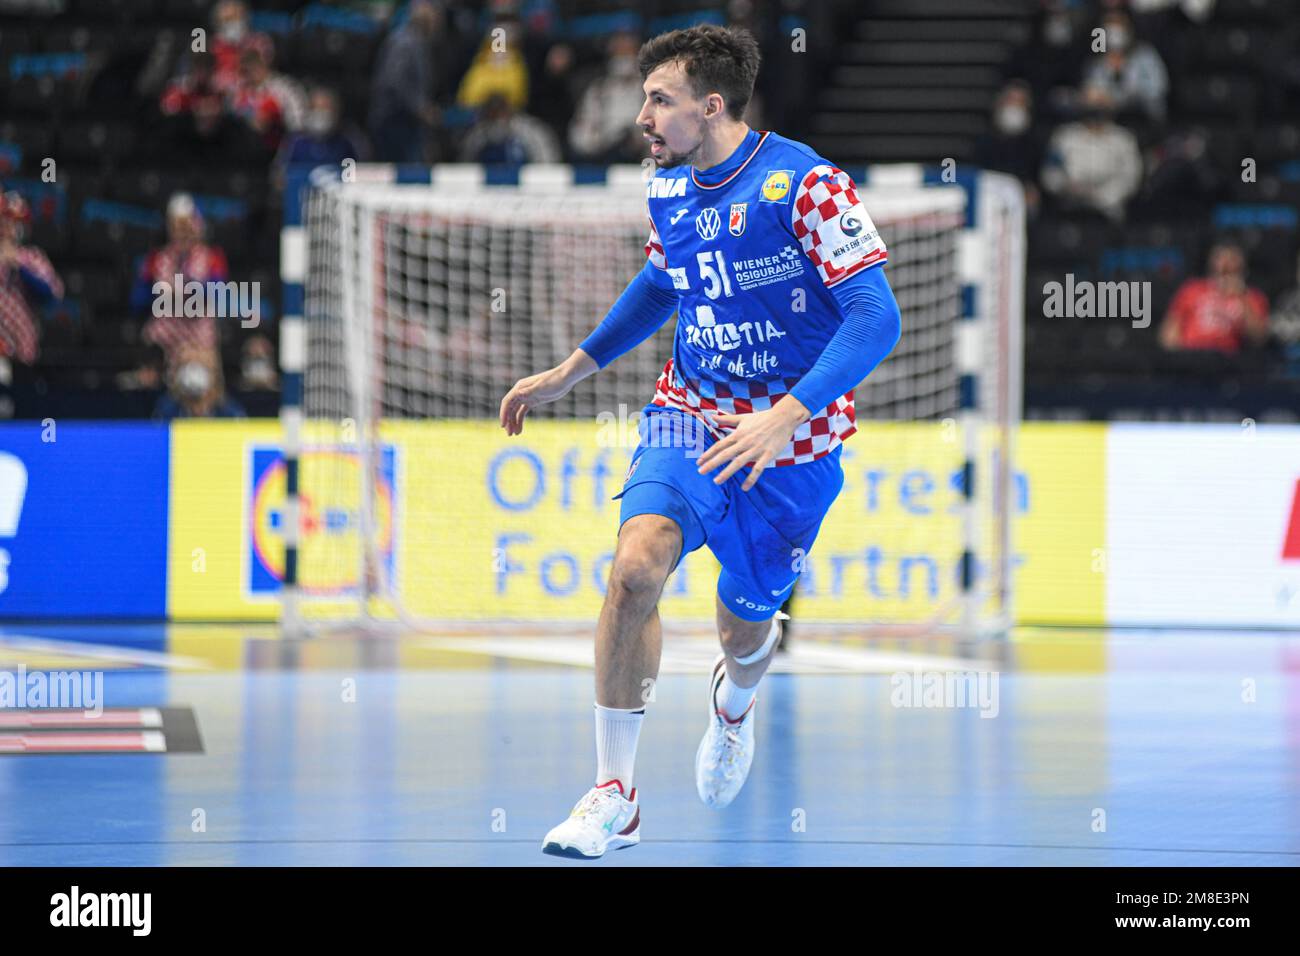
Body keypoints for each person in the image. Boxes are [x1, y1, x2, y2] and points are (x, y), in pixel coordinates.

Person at [499, 25, 902, 858]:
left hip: (791, 444)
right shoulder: (667, 188)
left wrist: (783, 414)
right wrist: (568, 372)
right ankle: (616, 795)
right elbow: (661, 283)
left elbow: (876, 315)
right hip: (688, 416)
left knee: (742, 632)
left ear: (710, 107)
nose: (642, 114)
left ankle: (733, 708)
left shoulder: (808, 186)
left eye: (659, 99)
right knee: (636, 566)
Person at [130, 193, 230, 371]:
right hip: (164, 341)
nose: (183, 232)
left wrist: (190, 290)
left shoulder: (212, 258)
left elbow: (220, 294)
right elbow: (137, 301)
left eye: (187, 225)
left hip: (200, 343)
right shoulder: (157, 259)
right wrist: (158, 293)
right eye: (177, 226)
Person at [1040, 84, 1143, 222]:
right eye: (1091, 103)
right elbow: (1050, 172)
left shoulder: (1123, 139)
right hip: (1069, 208)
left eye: (1100, 103)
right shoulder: (1064, 136)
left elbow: (1131, 177)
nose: (1096, 109)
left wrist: (1102, 196)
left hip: (1109, 212)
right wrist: (1066, 187)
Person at [1159, 243, 1270, 355]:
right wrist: (1176, 357)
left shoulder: (1252, 296)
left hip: (1227, 359)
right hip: (1192, 355)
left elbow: (1258, 338)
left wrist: (1242, 296)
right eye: (1221, 257)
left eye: (1232, 258)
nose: (1225, 264)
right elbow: (1170, 332)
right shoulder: (1192, 289)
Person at [368, 0, 443, 163]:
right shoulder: (405, 41)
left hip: (404, 121)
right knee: (401, 173)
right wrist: (420, 108)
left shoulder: (419, 42)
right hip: (395, 121)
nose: (436, 19)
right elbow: (395, 80)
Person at [0, 189, 63, 367]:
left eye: (13, 221)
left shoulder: (32, 257)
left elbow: (50, 294)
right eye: (4, 220)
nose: (7, 226)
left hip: (22, 349)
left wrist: (18, 265)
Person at [567, 31, 647, 164]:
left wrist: (639, 140)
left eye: (628, 51)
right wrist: (604, 141)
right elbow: (579, 136)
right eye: (619, 52)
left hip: (642, 162)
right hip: (605, 159)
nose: (624, 57)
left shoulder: (650, 89)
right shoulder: (599, 91)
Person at [458, 93, 560, 163]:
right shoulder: (479, 133)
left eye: (501, 111)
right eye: (493, 113)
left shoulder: (528, 128)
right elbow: (465, 163)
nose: (498, 117)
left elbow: (548, 159)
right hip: (487, 189)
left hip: (527, 184)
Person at [153, 344, 246, 419]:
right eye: (187, 365)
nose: (194, 374)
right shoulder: (165, 412)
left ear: (215, 374)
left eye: (202, 366)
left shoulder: (230, 414)